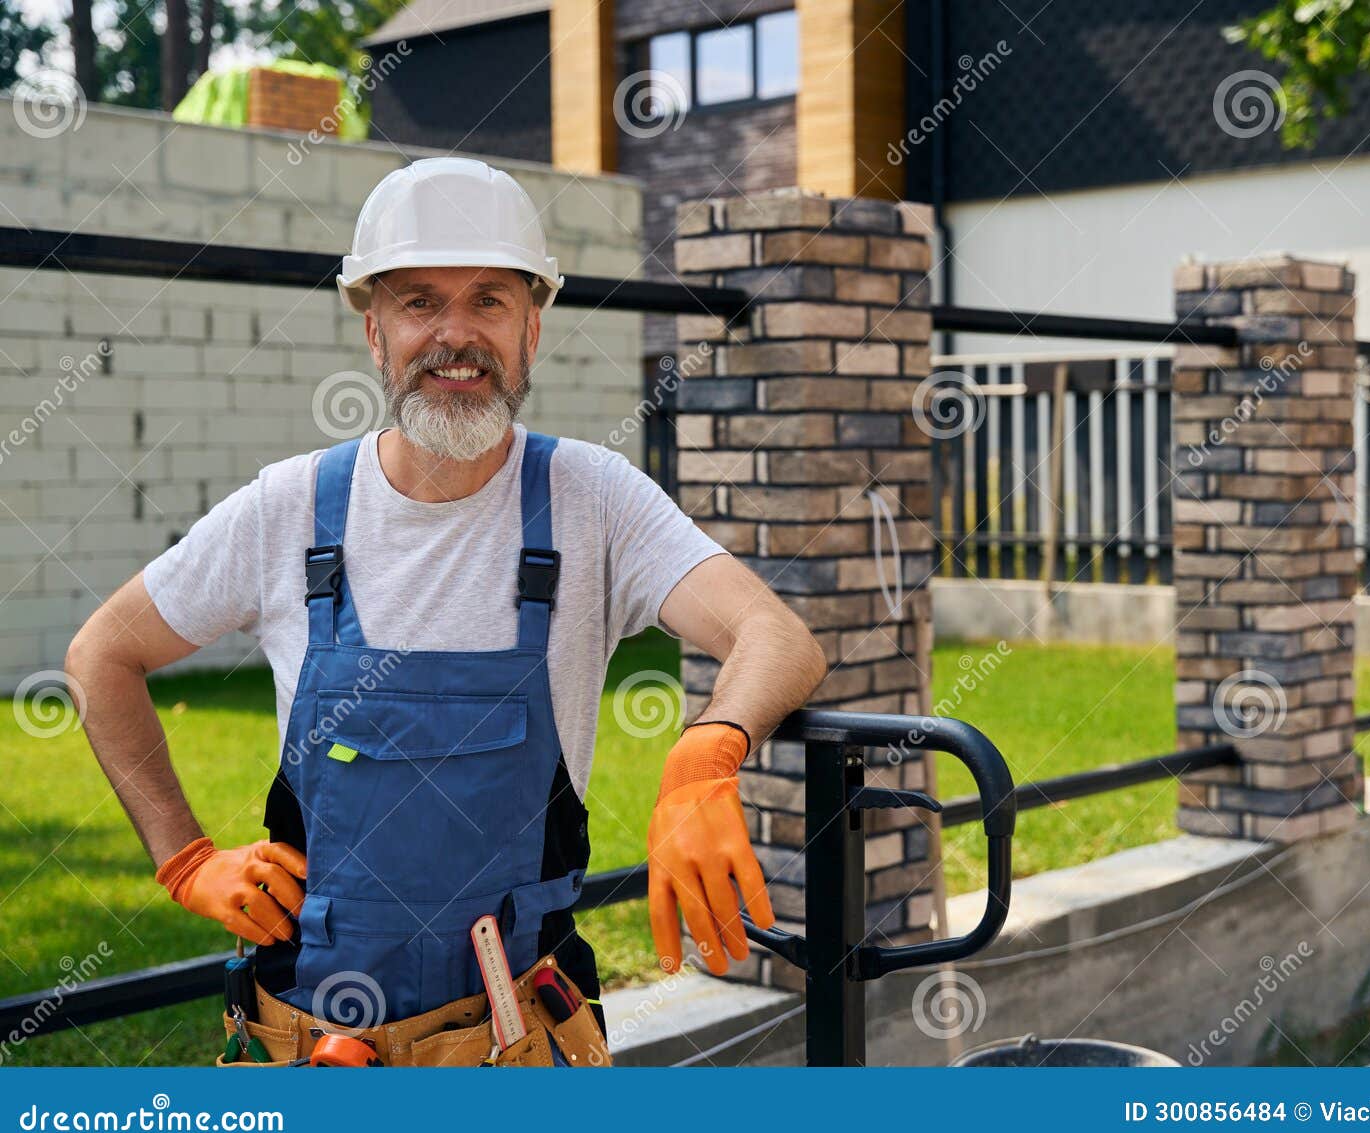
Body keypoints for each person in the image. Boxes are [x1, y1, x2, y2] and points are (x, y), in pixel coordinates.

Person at [65, 157, 826, 1054]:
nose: (455, 335)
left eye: (489, 301)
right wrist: (184, 855)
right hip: (313, 1040)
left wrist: (708, 751)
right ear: (374, 331)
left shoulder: (592, 497)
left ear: (532, 329)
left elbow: (776, 635)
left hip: (518, 1040)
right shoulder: (291, 508)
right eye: (421, 302)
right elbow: (100, 652)